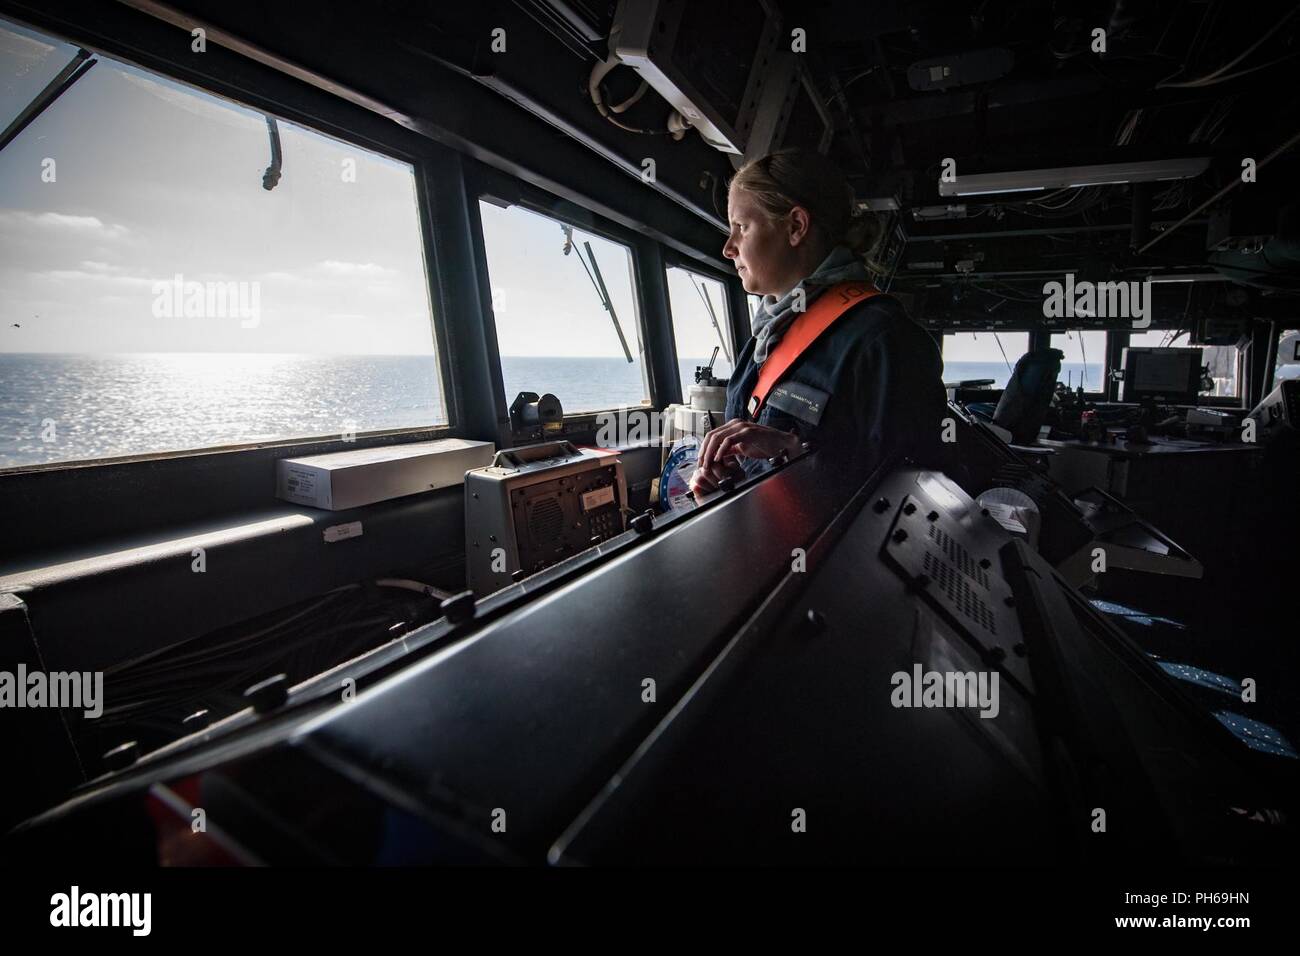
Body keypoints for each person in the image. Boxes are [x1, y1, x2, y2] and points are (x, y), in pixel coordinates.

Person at [690, 148, 949, 496]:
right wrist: (728, 478)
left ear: (796, 226)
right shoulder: (763, 340)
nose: (728, 247)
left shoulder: (884, 339)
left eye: (741, 227)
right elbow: (758, 463)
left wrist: (795, 452)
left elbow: (919, 487)